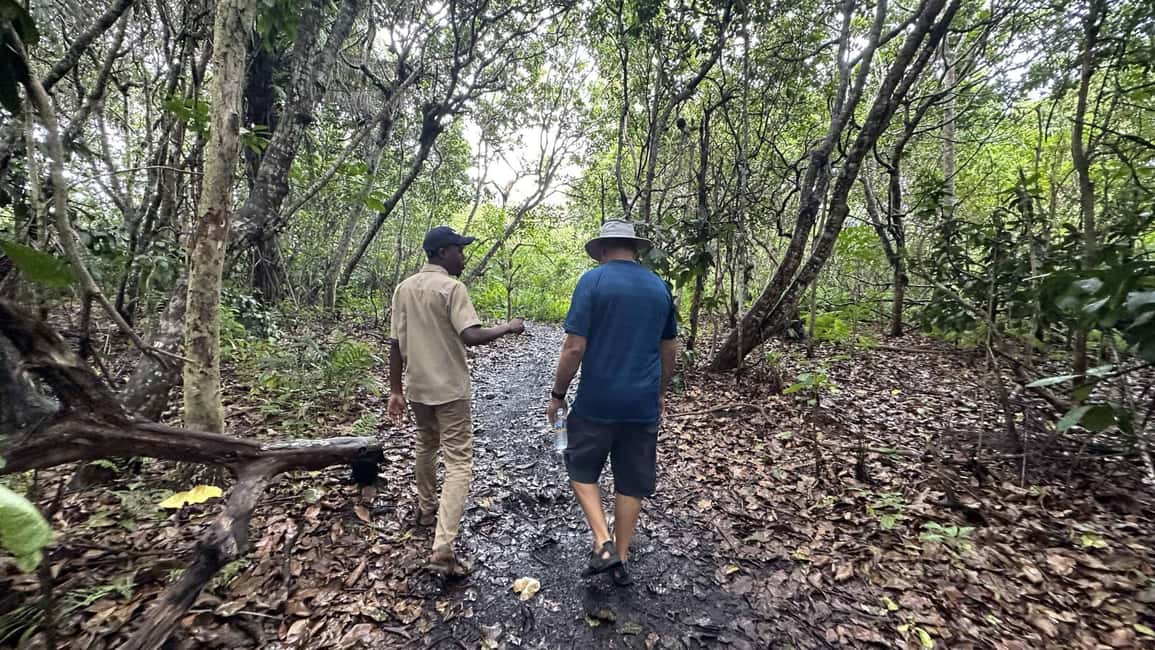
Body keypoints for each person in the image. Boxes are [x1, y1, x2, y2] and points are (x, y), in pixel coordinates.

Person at [546, 219, 678, 587]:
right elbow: (669, 348)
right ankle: (619, 557)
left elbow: (574, 346)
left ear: (603, 250)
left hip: (597, 400)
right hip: (642, 402)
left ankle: (602, 541)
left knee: (580, 467)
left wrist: (558, 395)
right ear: (635, 249)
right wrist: (660, 392)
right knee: (631, 479)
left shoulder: (594, 281)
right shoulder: (659, 287)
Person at [388, 225, 525, 577]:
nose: (463, 257)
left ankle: (425, 509)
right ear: (443, 252)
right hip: (449, 389)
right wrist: (508, 328)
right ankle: (442, 547)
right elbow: (471, 336)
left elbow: (394, 344)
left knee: (426, 444)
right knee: (459, 462)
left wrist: (396, 391)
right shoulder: (452, 287)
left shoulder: (404, 289)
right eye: (460, 250)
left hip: (417, 387)